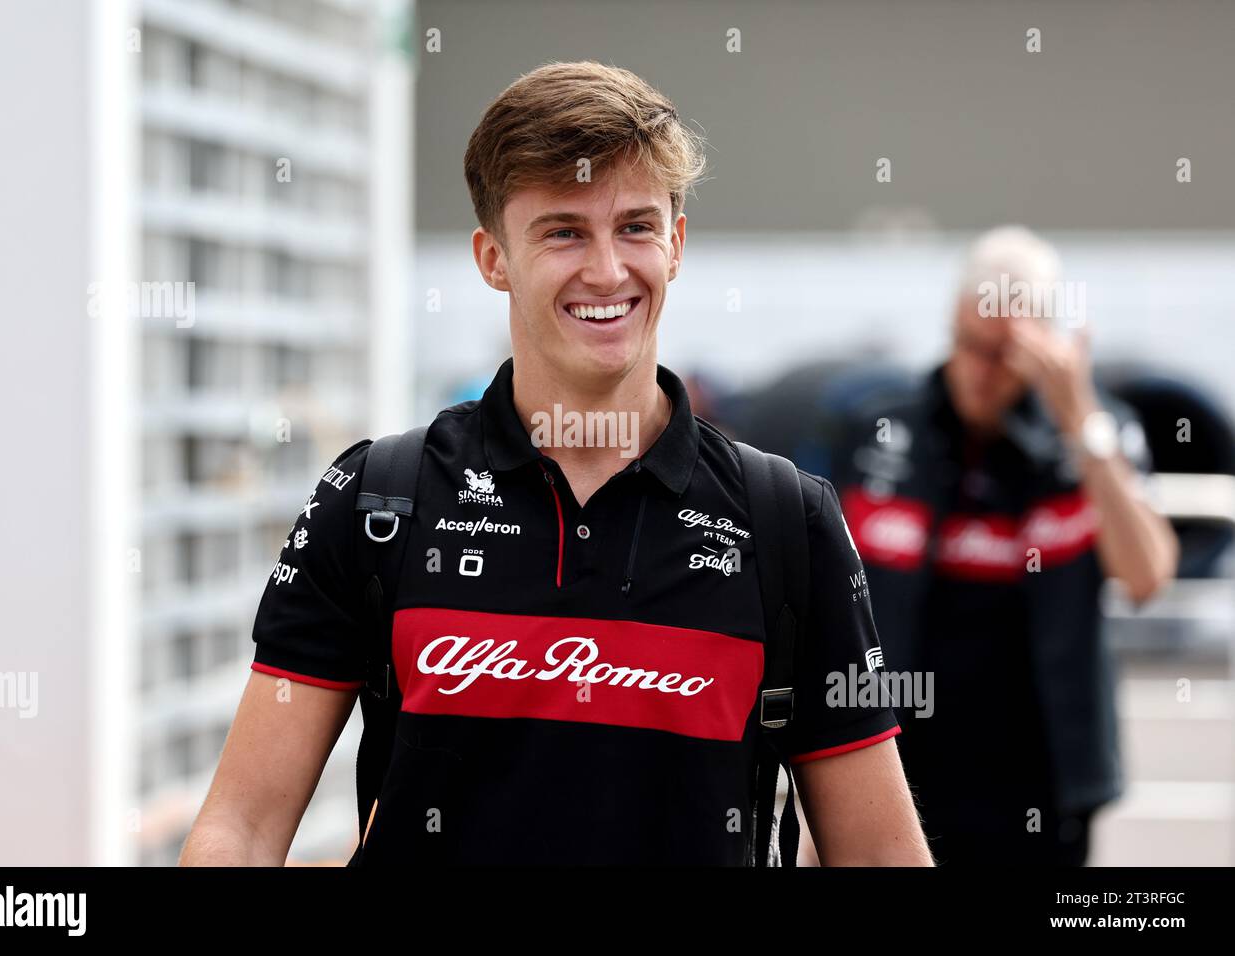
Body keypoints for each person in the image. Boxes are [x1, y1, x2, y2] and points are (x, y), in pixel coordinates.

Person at [180, 60, 931, 866]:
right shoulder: (379, 498)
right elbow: (242, 830)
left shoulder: (786, 520)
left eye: (637, 226)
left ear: (676, 244)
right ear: (493, 258)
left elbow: (881, 858)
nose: (607, 270)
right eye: (564, 231)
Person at [832, 225, 1179, 865]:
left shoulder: (1093, 436)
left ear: (1043, 348)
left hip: (1042, 778)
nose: (981, 373)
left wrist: (1081, 425)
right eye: (970, 345)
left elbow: (1147, 574)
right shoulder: (881, 429)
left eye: (1004, 354)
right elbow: (824, 596)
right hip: (905, 765)